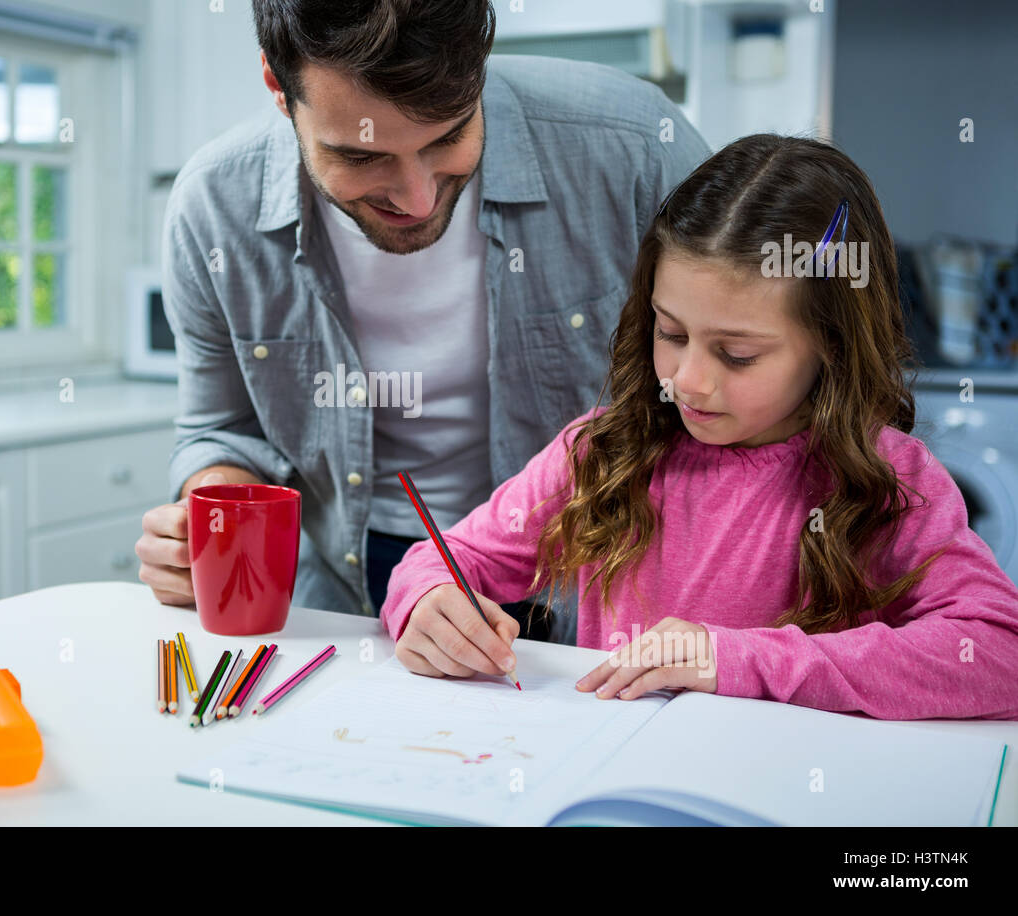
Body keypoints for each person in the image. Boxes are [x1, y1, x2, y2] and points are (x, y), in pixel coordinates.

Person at [136, 0, 708, 635]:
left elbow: (760, 383)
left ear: (481, 65)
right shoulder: (213, 209)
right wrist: (212, 513)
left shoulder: (637, 149)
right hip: (350, 580)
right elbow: (220, 429)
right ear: (277, 87)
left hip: (590, 573)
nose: (418, 198)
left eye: (449, 137)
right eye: (361, 156)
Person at [381, 133, 1018, 720]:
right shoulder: (603, 452)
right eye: (671, 332)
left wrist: (739, 660)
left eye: (737, 355)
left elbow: (997, 655)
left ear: (832, 344)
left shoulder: (888, 480)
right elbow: (444, 560)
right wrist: (427, 602)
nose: (687, 380)